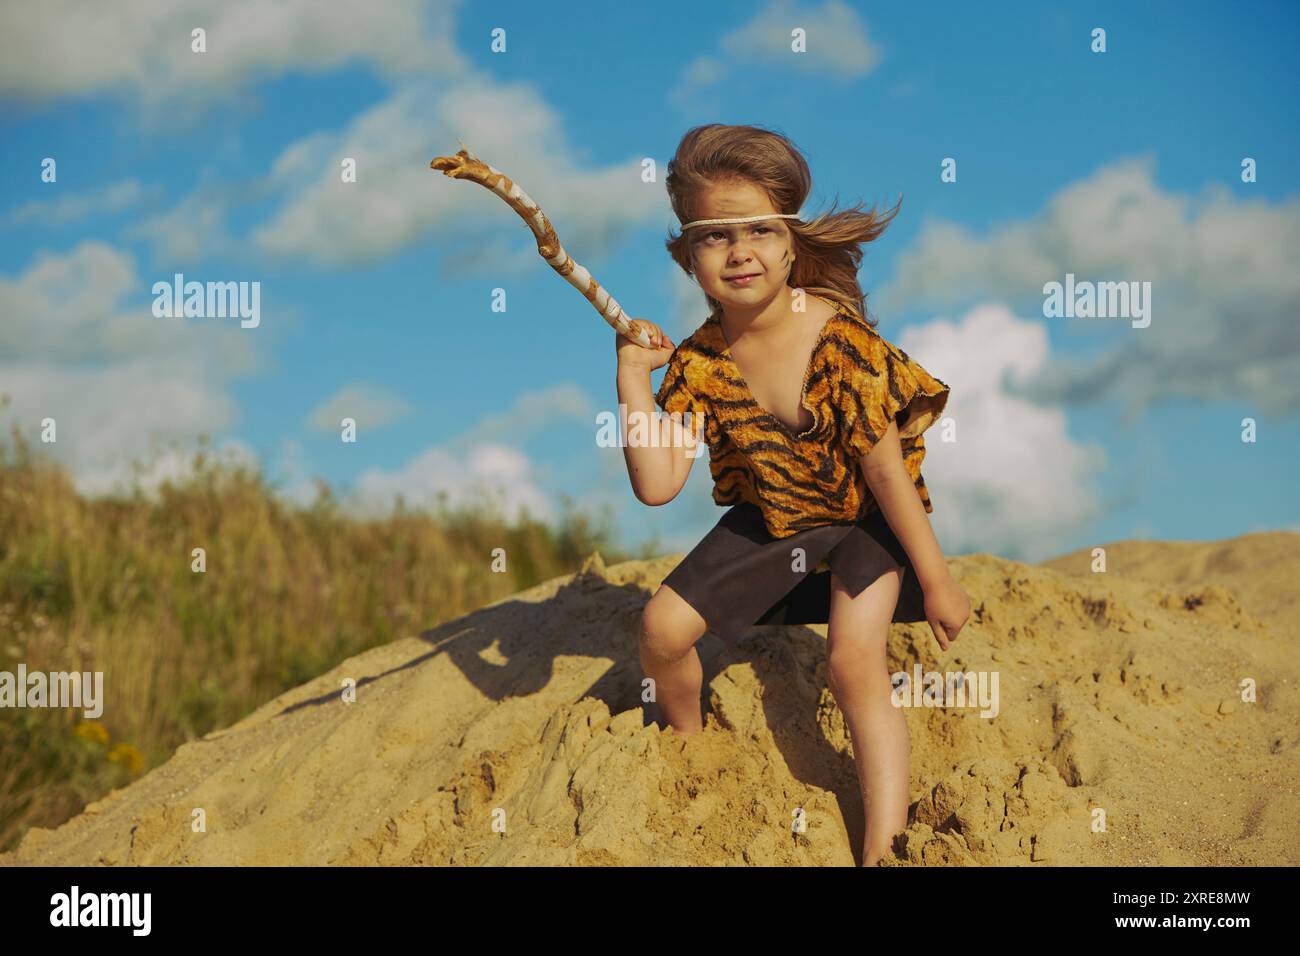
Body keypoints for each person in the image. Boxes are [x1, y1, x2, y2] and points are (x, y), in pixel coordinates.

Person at [615, 124, 971, 867]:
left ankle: (883, 847)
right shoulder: (700, 365)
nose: (739, 250)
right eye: (714, 236)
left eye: (758, 230)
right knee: (661, 631)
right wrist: (631, 381)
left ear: (789, 244)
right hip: (778, 515)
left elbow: (885, 474)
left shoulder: (838, 344)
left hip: (866, 515)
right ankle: (689, 748)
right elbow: (656, 486)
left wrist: (935, 581)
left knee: (852, 660)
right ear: (688, 256)